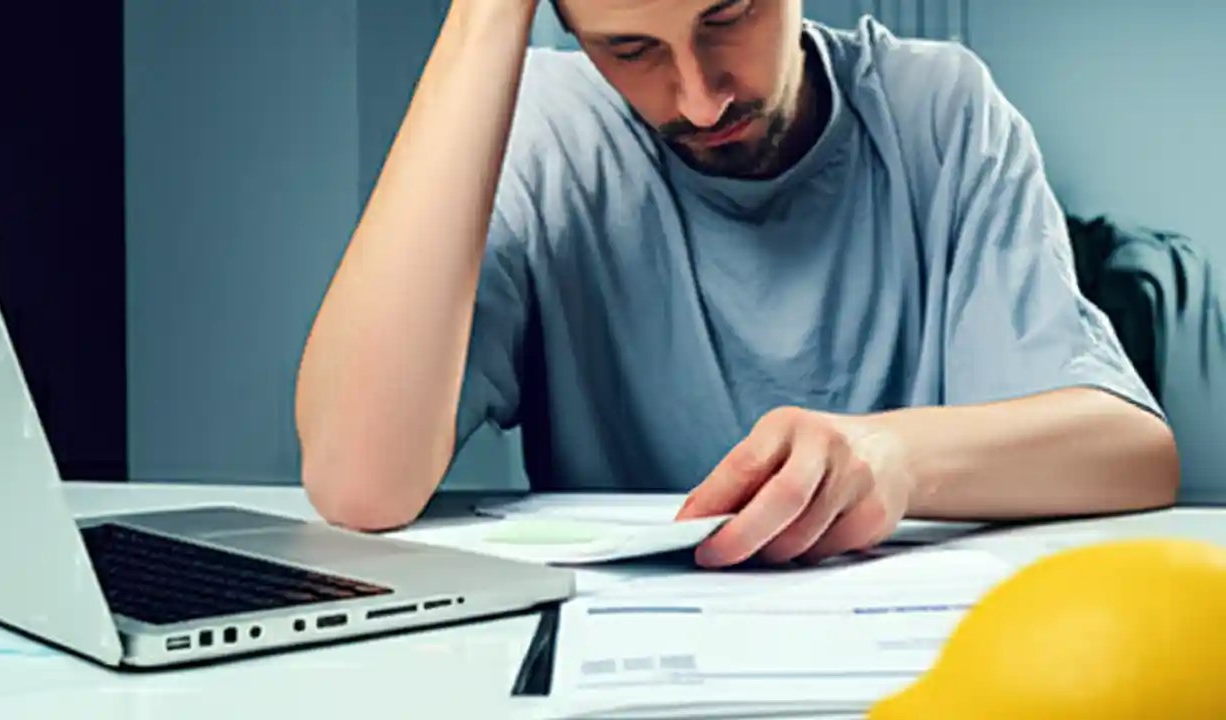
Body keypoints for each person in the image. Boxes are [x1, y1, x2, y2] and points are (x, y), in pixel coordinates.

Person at [294, 0, 1179, 569]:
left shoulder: (939, 111)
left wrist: (890, 458)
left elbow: (1130, 449)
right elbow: (358, 483)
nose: (701, 99)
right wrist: (483, 19)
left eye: (729, 14)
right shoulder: (543, 132)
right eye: (629, 48)